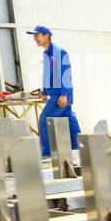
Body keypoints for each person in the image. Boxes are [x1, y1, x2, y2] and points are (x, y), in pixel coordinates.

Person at [28, 26, 81, 156]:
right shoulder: (46, 54)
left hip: (61, 95)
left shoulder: (59, 52)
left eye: (38, 35)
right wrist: (44, 91)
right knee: (69, 121)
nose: (35, 38)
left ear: (47, 36)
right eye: (34, 36)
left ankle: (47, 153)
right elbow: (48, 74)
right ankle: (79, 149)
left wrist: (64, 94)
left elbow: (65, 73)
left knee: (44, 121)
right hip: (55, 94)